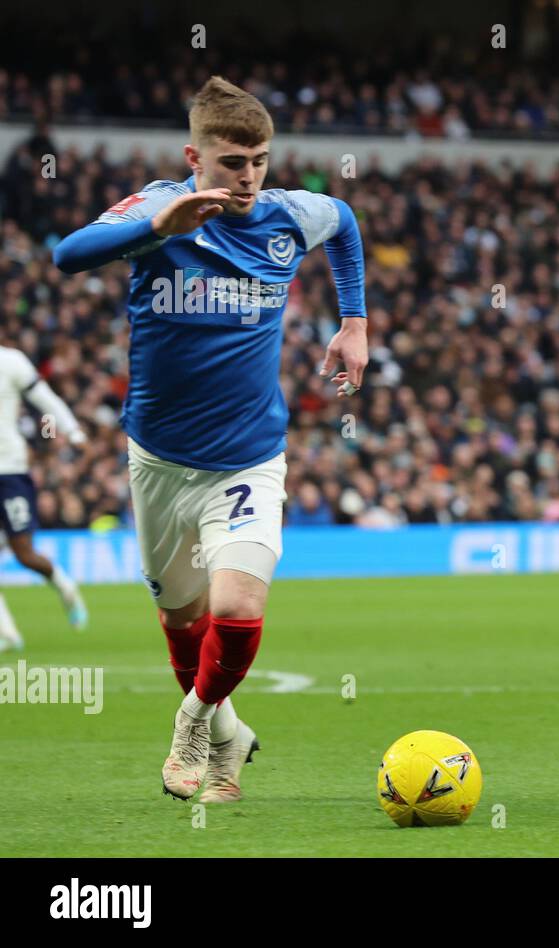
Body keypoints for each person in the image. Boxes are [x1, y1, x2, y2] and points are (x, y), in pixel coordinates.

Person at [53, 77, 368, 802]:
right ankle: (229, 735)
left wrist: (354, 322)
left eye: (259, 159)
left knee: (235, 609)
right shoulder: (156, 208)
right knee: (183, 622)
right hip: (159, 460)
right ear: (195, 157)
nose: (249, 176)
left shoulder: (288, 215)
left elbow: (344, 222)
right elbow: (69, 255)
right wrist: (158, 229)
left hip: (250, 458)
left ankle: (194, 719)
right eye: (233, 162)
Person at [0, 344, 89, 651]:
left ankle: (66, 587)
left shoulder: (11, 361)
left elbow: (45, 399)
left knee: (24, 552)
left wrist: (72, 431)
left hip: (9, 470)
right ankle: (8, 634)